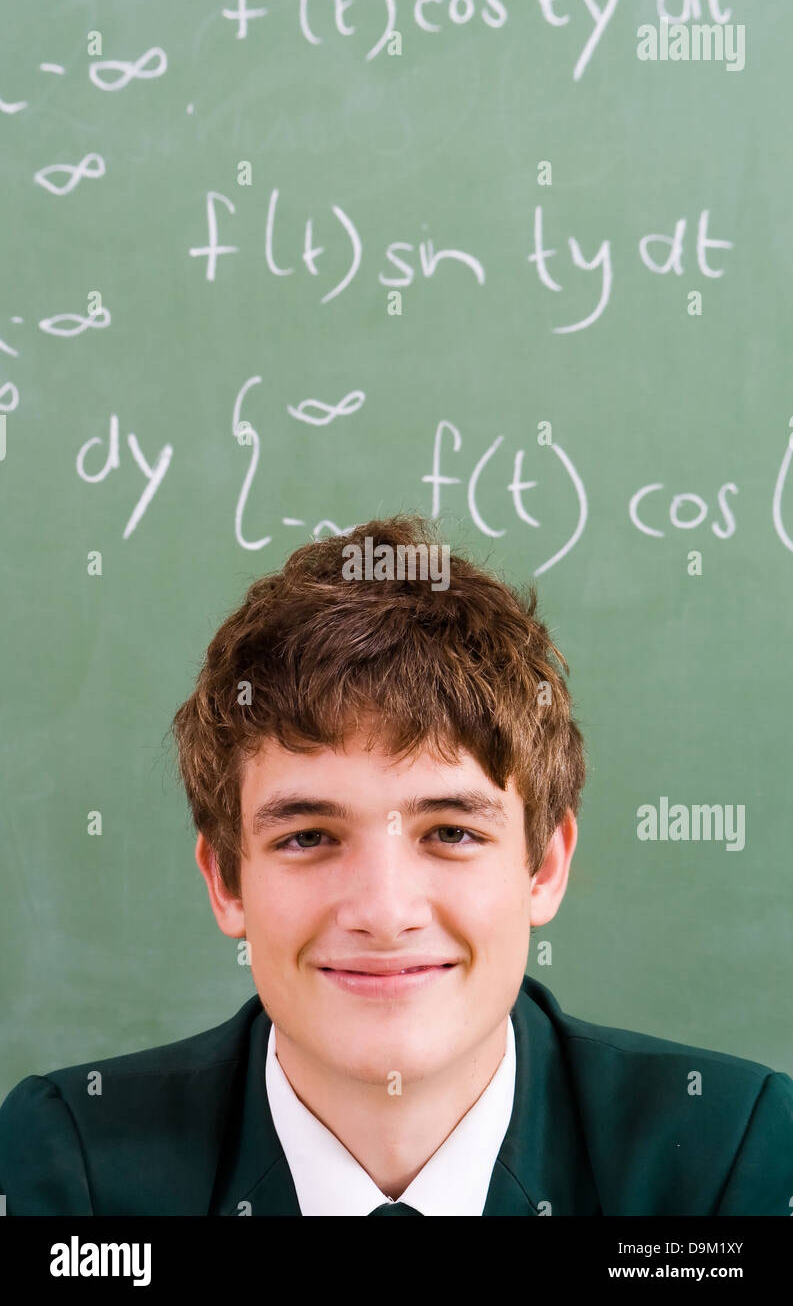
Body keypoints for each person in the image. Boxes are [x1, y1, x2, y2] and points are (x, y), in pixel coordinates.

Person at [1, 515, 791, 1216]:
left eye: (449, 832)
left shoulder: (730, 1156)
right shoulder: (68, 1166)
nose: (383, 913)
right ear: (225, 881)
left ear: (543, 867)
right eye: (308, 838)